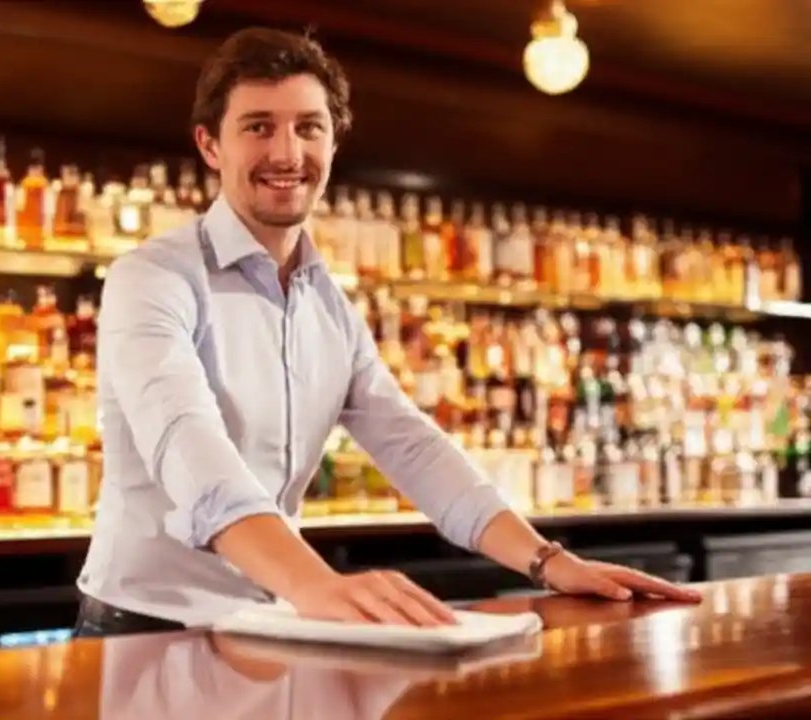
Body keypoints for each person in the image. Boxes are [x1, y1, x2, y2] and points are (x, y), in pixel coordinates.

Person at [73, 26, 701, 638]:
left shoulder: (329, 306)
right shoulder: (152, 278)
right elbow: (189, 446)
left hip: (266, 629)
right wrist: (316, 585)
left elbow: (414, 447)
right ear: (211, 146)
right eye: (259, 126)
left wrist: (549, 562)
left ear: (334, 143)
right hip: (144, 633)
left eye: (309, 128)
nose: (288, 154)